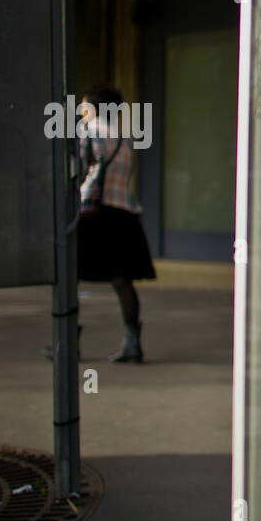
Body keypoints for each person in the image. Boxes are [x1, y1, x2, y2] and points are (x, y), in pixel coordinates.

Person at [76, 84, 155, 363]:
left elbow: (81, 171)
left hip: (93, 214)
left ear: (93, 107)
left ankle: (68, 342)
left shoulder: (87, 131)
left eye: (83, 105)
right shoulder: (123, 139)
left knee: (69, 276)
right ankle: (132, 343)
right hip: (123, 215)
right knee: (123, 281)